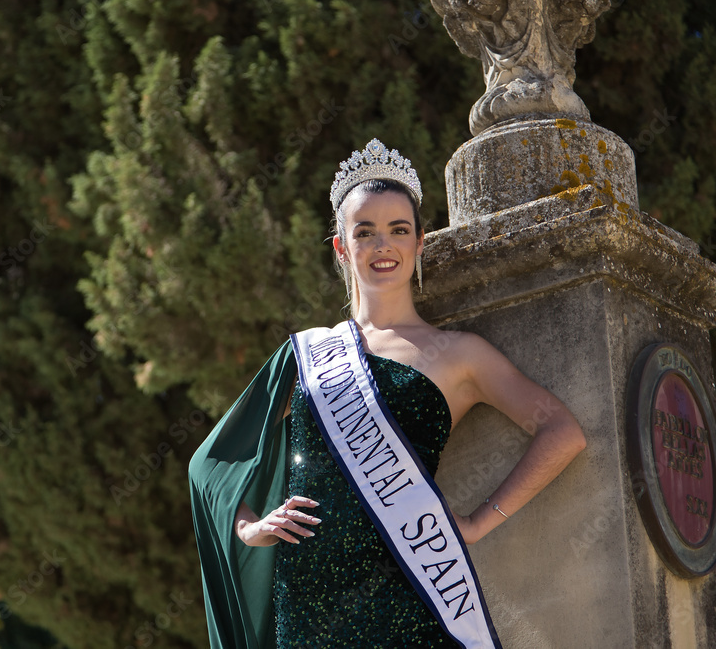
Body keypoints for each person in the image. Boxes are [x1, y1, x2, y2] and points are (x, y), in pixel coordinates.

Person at [188, 139, 587, 648]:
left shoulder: (459, 354)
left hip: (409, 582)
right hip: (308, 596)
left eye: (399, 230)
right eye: (366, 232)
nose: (383, 246)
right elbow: (213, 464)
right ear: (341, 246)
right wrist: (250, 528)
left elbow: (562, 432)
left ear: (420, 242)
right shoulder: (307, 355)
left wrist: (479, 523)